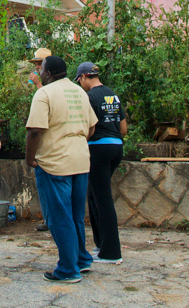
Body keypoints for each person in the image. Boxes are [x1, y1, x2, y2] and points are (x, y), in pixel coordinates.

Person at [25, 56, 97, 283]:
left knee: (58, 217)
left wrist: (29, 159)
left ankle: (67, 269)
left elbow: (35, 130)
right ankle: (82, 260)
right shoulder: (80, 92)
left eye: (42, 69)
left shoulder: (43, 94)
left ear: (47, 73)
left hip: (54, 163)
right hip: (81, 161)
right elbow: (92, 128)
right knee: (76, 215)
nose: (40, 72)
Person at [76, 62, 126, 265]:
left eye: (79, 81)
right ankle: (100, 244)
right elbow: (123, 128)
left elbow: (91, 129)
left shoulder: (89, 97)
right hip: (116, 147)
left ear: (83, 78)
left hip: (98, 149)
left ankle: (111, 252)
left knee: (103, 199)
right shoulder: (112, 95)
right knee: (94, 194)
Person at [27, 47, 52, 232]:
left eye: (39, 64)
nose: (36, 67)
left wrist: (37, 84)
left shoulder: (49, 84)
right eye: (35, 64)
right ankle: (48, 218)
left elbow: (48, 100)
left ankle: (52, 220)